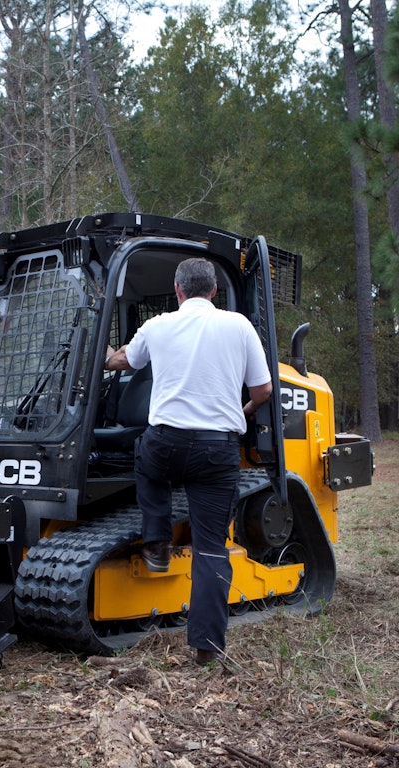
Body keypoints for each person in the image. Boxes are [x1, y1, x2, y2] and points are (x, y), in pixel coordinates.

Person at [104, 257, 273, 666]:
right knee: (212, 549)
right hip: (217, 452)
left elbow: (121, 362)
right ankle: (206, 649)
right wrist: (243, 411)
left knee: (147, 463)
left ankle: (157, 541)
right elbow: (264, 389)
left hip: (165, 444)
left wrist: (103, 347)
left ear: (178, 291)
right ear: (214, 291)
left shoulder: (158, 325)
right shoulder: (239, 326)